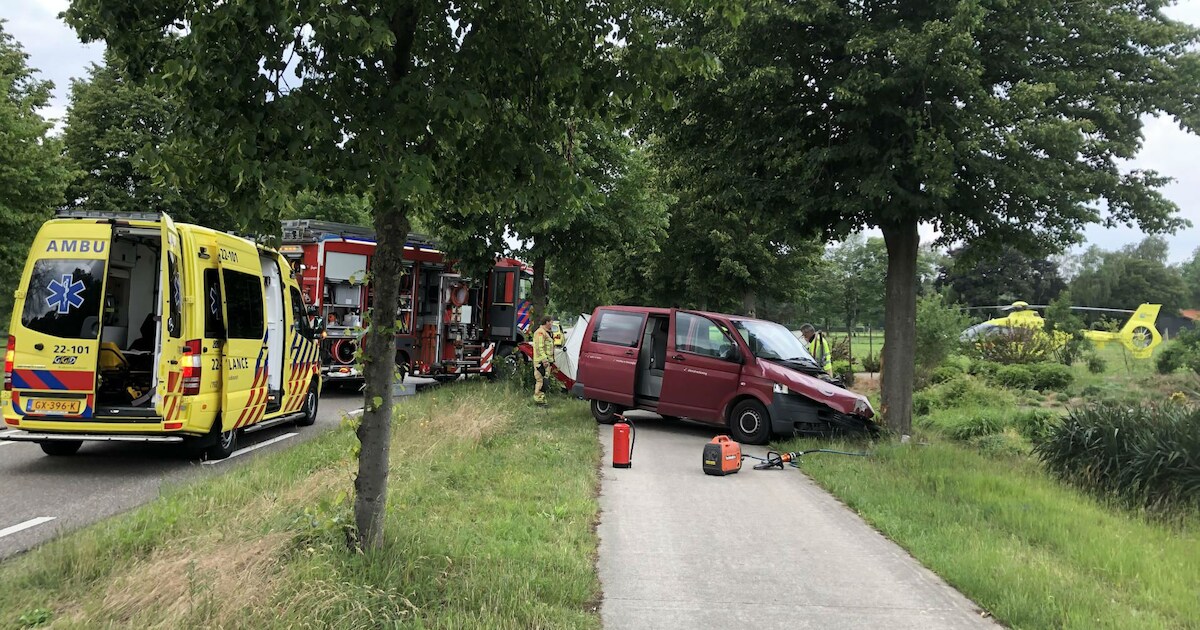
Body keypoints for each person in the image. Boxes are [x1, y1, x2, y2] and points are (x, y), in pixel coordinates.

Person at [532, 315, 555, 405]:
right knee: (540, 380)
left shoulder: (547, 332)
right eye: (551, 322)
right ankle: (538, 400)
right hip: (541, 362)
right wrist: (544, 360)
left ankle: (542, 399)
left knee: (545, 381)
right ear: (547, 322)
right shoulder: (540, 333)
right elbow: (539, 347)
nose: (552, 324)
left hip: (547, 362)